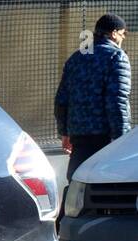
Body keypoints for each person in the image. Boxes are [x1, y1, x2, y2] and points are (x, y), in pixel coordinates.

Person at [55, 13, 131, 181]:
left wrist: (65, 133)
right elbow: (117, 102)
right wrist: (122, 140)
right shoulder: (116, 57)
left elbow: (61, 99)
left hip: (79, 137)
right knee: (108, 187)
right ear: (113, 33)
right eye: (123, 33)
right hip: (105, 138)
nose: (123, 38)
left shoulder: (76, 58)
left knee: (77, 184)